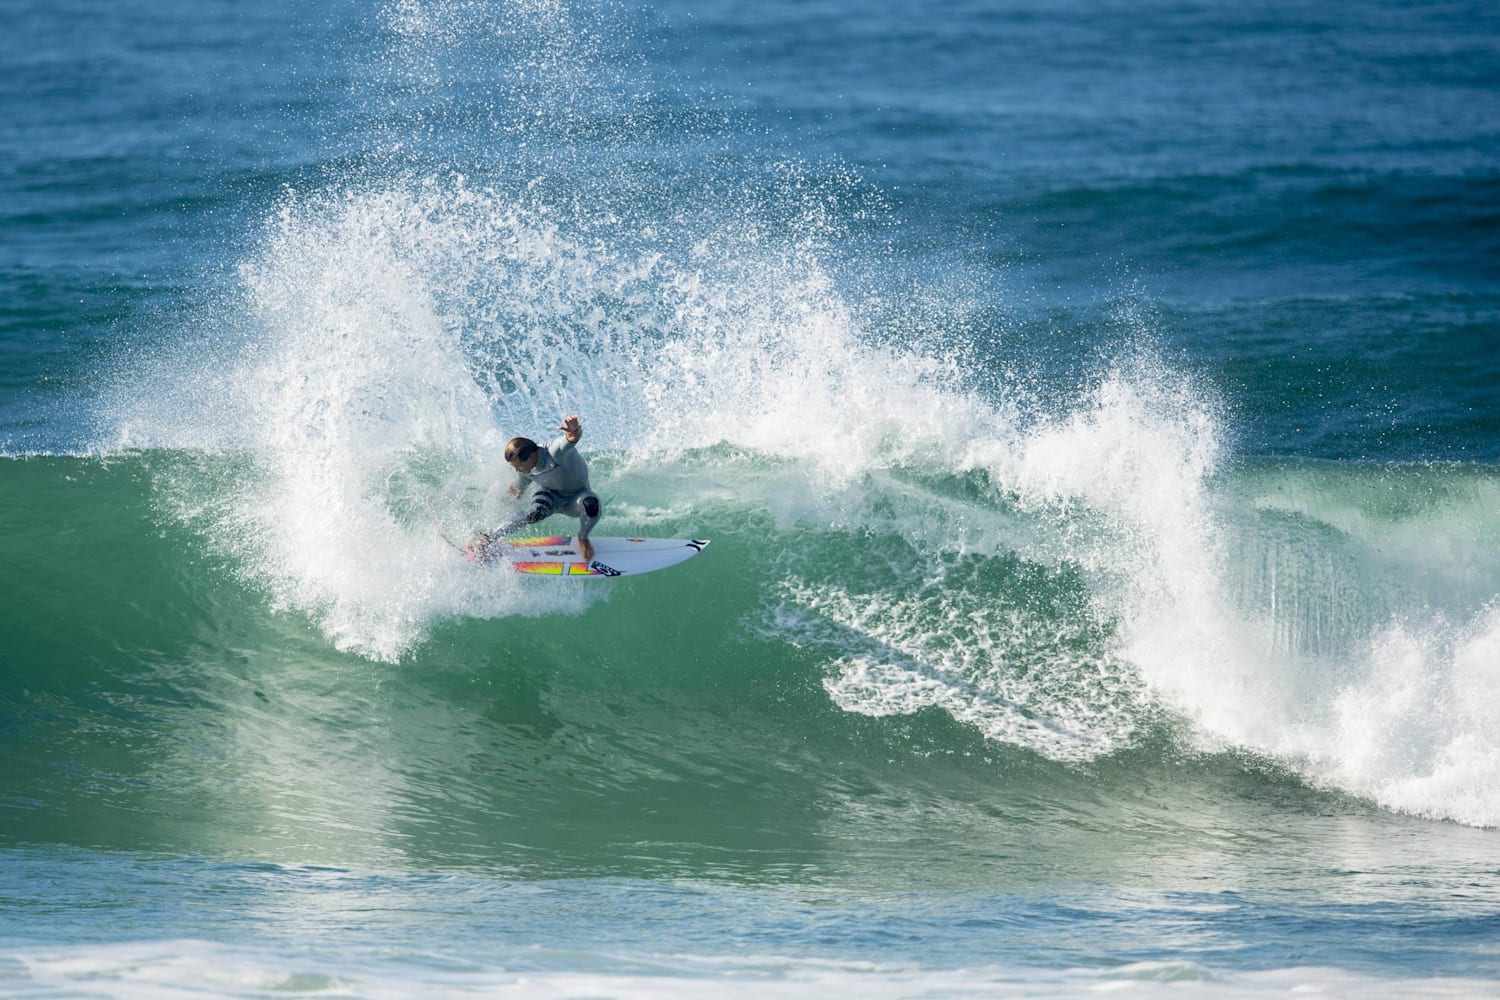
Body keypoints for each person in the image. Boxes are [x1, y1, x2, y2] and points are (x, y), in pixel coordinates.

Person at [470, 414, 601, 562]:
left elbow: (571, 439)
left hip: (577, 497)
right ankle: (487, 538)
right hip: (550, 496)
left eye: (518, 466)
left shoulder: (553, 451)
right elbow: (517, 490)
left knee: (591, 504)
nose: (517, 471)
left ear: (532, 456)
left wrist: (574, 431)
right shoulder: (526, 470)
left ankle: (583, 538)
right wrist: (502, 503)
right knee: (531, 513)